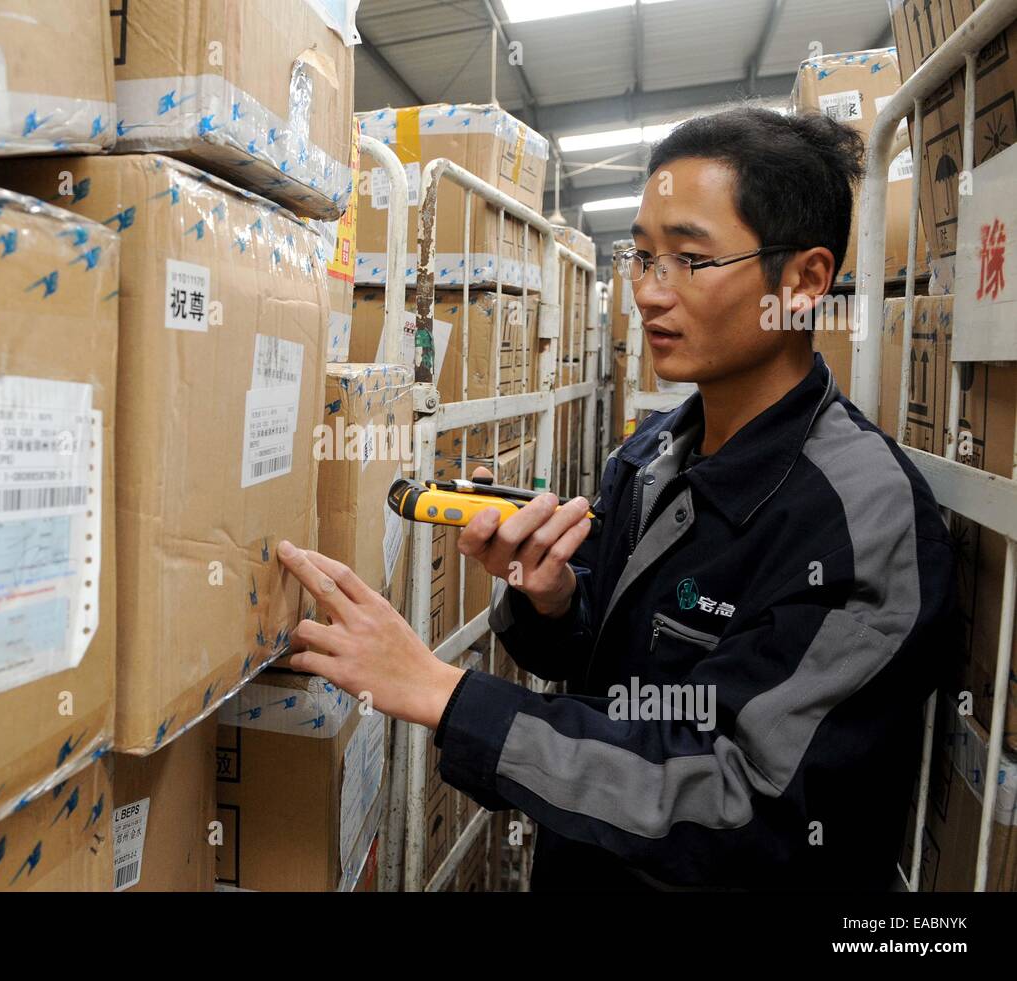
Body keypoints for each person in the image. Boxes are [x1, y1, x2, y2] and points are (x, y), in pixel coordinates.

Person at [276, 106, 958, 890]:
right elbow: (602, 666)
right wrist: (556, 597)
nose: (648, 293)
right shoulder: (651, 454)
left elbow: (744, 804)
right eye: (640, 256)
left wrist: (445, 693)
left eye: (688, 261)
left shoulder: (862, 522)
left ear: (803, 281)